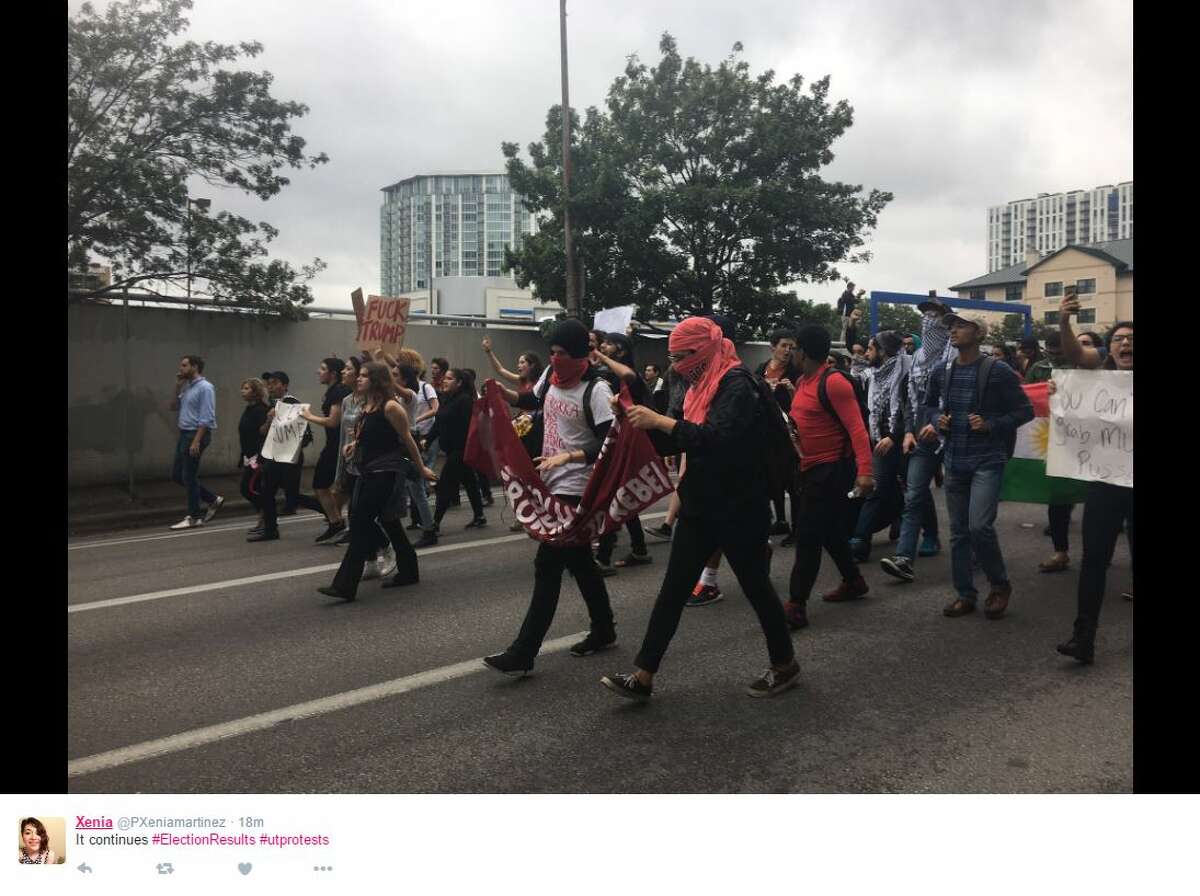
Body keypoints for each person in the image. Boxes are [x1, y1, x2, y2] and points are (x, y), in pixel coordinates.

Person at [600, 316, 799, 701]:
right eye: (673, 357)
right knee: (673, 589)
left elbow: (716, 438)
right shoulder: (697, 386)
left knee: (757, 588)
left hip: (740, 506)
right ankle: (643, 675)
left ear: (703, 350)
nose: (676, 365)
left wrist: (659, 421)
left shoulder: (736, 384)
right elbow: (681, 440)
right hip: (701, 501)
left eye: (682, 356)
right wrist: (638, 420)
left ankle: (785, 664)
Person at [483, 318, 618, 676]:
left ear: (578, 355)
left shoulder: (598, 391)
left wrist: (572, 456)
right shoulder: (551, 379)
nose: (554, 360)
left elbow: (611, 444)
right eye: (551, 353)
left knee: (548, 565)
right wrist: (501, 393)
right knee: (580, 563)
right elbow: (528, 398)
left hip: (577, 488)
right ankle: (604, 627)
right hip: (551, 483)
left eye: (561, 353)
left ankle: (523, 651)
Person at [921, 313, 1033, 619]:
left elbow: (1024, 411)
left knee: (978, 526)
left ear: (979, 333)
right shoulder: (941, 371)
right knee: (958, 532)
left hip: (987, 460)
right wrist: (935, 420)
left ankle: (999, 585)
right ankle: (965, 593)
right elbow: (928, 406)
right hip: (954, 460)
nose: (953, 331)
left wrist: (992, 424)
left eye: (960, 325)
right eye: (951, 327)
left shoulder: (998, 371)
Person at [1054, 296, 1134, 664]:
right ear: (1110, 347)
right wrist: (1065, 322)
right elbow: (1075, 357)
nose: (1125, 343)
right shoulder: (1098, 376)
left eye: (1131, 338)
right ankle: (1082, 637)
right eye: (1118, 338)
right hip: (1106, 482)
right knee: (1093, 560)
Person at [317, 362, 437, 601]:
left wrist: (422, 468)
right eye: (359, 375)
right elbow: (370, 435)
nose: (359, 379)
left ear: (376, 380)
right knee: (389, 522)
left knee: (360, 522)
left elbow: (408, 439)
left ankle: (344, 585)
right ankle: (409, 571)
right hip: (368, 471)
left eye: (364, 376)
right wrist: (355, 444)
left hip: (387, 473)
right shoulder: (367, 405)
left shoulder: (391, 407)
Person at [782, 325, 875, 629]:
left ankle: (796, 604)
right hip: (808, 468)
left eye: (794, 347)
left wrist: (865, 473)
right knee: (830, 531)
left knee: (808, 535)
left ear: (804, 352)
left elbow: (858, 429)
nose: (790, 352)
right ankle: (853, 581)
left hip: (831, 470)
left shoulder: (833, 383)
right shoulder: (803, 381)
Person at [879, 298, 955, 584]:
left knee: (966, 503)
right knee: (913, 494)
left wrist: (940, 423)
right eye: (924, 315)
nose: (927, 321)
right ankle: (904, 558)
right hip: (922, 438)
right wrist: (909, 430)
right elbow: (912, 402)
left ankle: (975, 551)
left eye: (934, 316)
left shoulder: (957, 356)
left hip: (955, 436)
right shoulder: (919, 360)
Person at [847, 330, 913, 563]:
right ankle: (860, 541)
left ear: (883, 352)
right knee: (875, 489)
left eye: (871, 349)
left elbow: (911, 409)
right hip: (879, 443)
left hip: (904, 441)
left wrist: (894, 436)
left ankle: (930, 535)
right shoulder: (871, 376)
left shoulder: (907, 373)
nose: (866, 353)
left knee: (916, 492)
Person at [593, 332, 652, 572]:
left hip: (632, 442)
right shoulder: (608, 375)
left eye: (607, 344)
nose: (602, 347)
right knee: (622, 495)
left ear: (622, 351)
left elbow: (628, 375)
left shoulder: (628, 375)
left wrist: (599, 356)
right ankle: (639, 549)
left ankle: (603, 557)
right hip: (621, 440)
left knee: (614, 497)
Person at [247, 371, 324, 543]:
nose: (270, 387)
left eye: (274, 383)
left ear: (284, 385)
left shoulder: (293, 403)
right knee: (267, 492)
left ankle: (329, 512)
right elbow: (263, 432)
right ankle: (270, 529)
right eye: (269, 384)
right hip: (274, 458)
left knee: (293, 496)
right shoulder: (274, 406)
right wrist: (269, 420)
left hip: (289, 460)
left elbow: (306, 436)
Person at [427, 368, 487, 537]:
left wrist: (462, 451)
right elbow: (438, 422)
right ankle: (480, 515)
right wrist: (428, 439)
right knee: (469, 481)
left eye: (449, 378)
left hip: (460, 451)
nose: (445, 381)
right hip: (452, 450)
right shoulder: (446, 399)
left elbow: (469, 429)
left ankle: (435, 523)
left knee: (445, 484)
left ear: (459, 383)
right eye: (445, 378)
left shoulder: (465, 401)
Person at [755, 328, 801, 539]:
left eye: (791, 347)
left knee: (793, 480)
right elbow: (750, 397)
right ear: (773, 346)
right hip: (767, 433)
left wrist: (792, 392)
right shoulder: (760, 370)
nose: (788, 350)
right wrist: (764, 391)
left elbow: (804, 404)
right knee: (772, 479)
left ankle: (798, 528)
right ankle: (780, 519)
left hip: (790, 433)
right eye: (784, 345)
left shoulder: (796, 372)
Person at [299, 357, 351, 543]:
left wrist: (308, 416)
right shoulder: (335, 391)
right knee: (336, 487)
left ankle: (337, 523)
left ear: (333, 374)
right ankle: (336, 522)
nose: (318, 372)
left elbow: (332, 421)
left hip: (337, 446)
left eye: (322, 368)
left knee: (321, 484)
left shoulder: (338, 391)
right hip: (336, 444)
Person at [168, 355, 222, 530]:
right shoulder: (188, 387)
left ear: (195, 366)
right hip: (184, 433)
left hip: (195, 435)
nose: (181, 368)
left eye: (184, 365)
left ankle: (194, 516)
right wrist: (177, 386)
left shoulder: (206, 388)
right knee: (177, 474)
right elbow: (173, 406)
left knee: (189, 476)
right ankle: (212, 499)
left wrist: (196, 441)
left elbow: (207, 417)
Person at [237, 377, 271, 533]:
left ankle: (266, 515)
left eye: (247, 388)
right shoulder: (249, 408)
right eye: (242, 388)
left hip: (257, 456)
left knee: (248, 488)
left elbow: (263, 434)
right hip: (248, 455)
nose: (243, 391)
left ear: (255, 391)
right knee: (254, 487)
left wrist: (259, 457)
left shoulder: (261, 409)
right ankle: (263, 517)